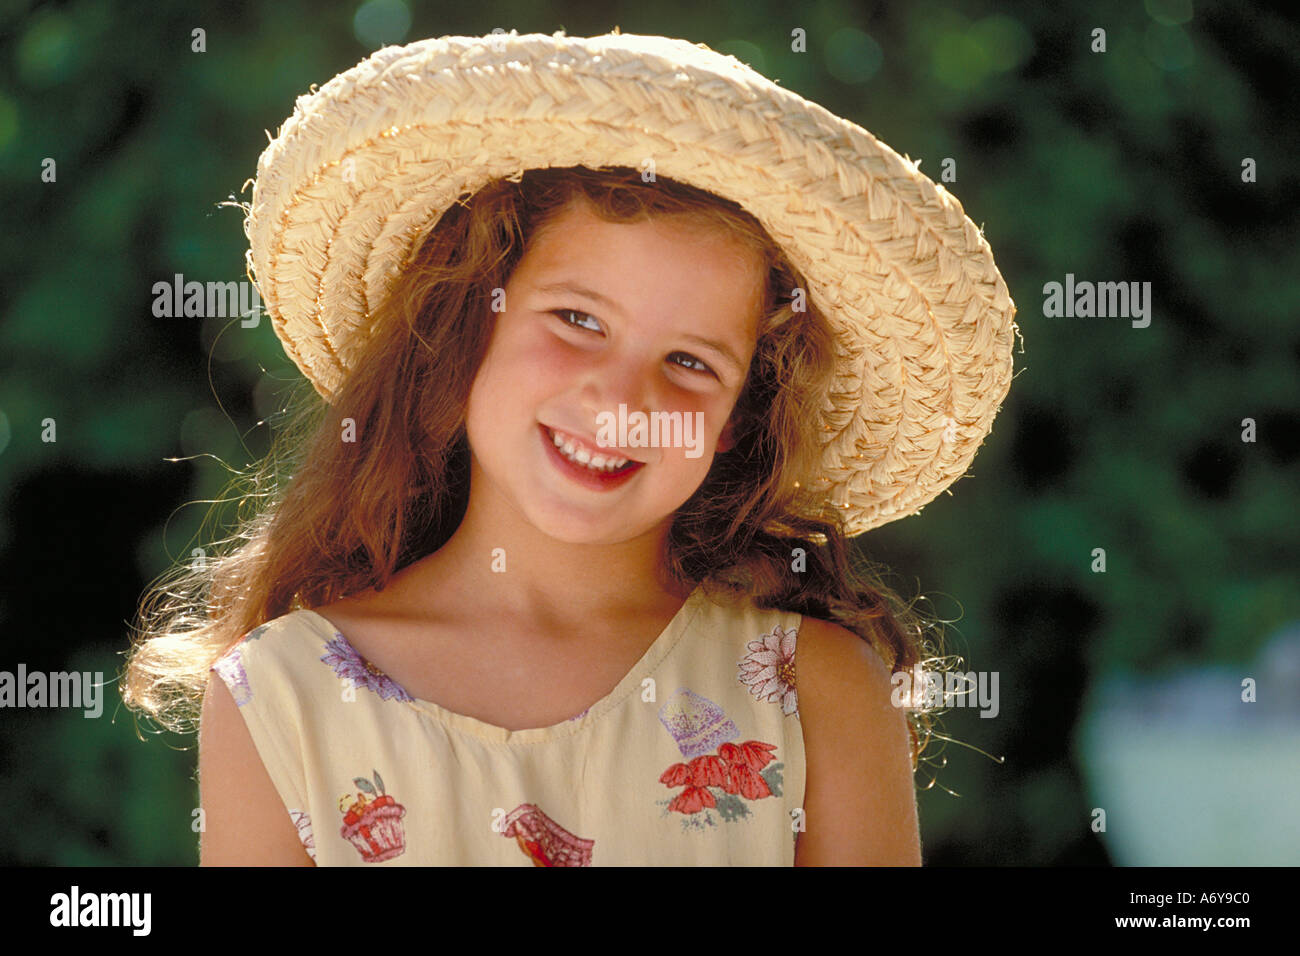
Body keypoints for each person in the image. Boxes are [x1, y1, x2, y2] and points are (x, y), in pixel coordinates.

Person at [121, 30, 1018, 866]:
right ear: (471, 322)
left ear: (740, 418)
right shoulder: (283, 700)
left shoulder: (814, 691)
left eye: (690, 362)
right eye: (578, 320)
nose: (622, 399)